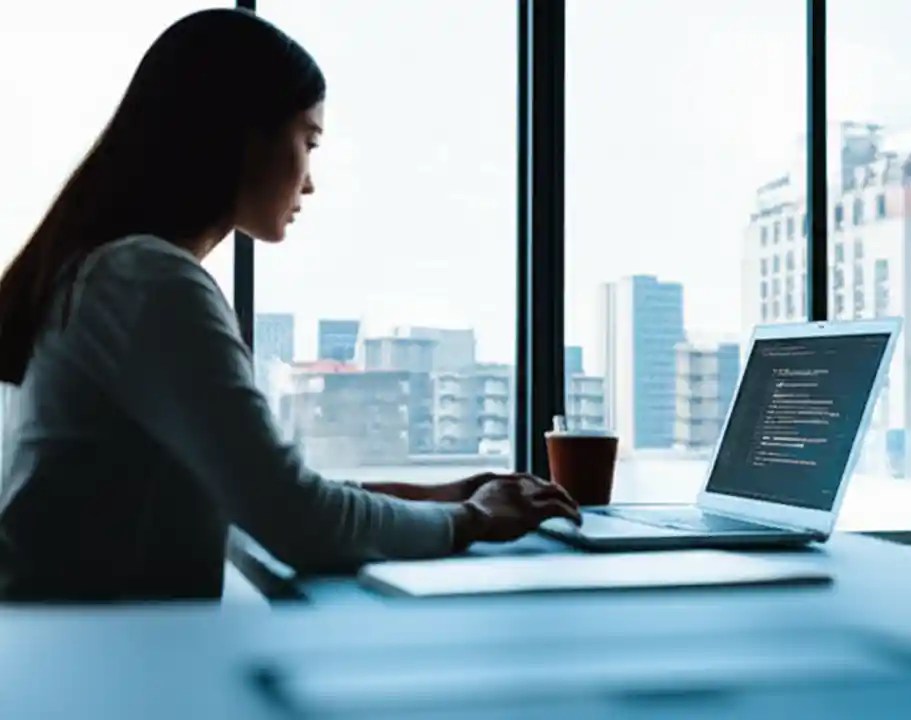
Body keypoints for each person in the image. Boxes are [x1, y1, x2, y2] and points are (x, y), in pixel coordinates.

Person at [0, 8, 579, 603]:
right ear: (244, 137)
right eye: (308, 141)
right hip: (100, 654)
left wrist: (441, 496)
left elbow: (266, 487)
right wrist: (473, 520)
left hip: (77, 645)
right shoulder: (151, 283)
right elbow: (294, 517)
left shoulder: (111, 274)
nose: (309, 181)